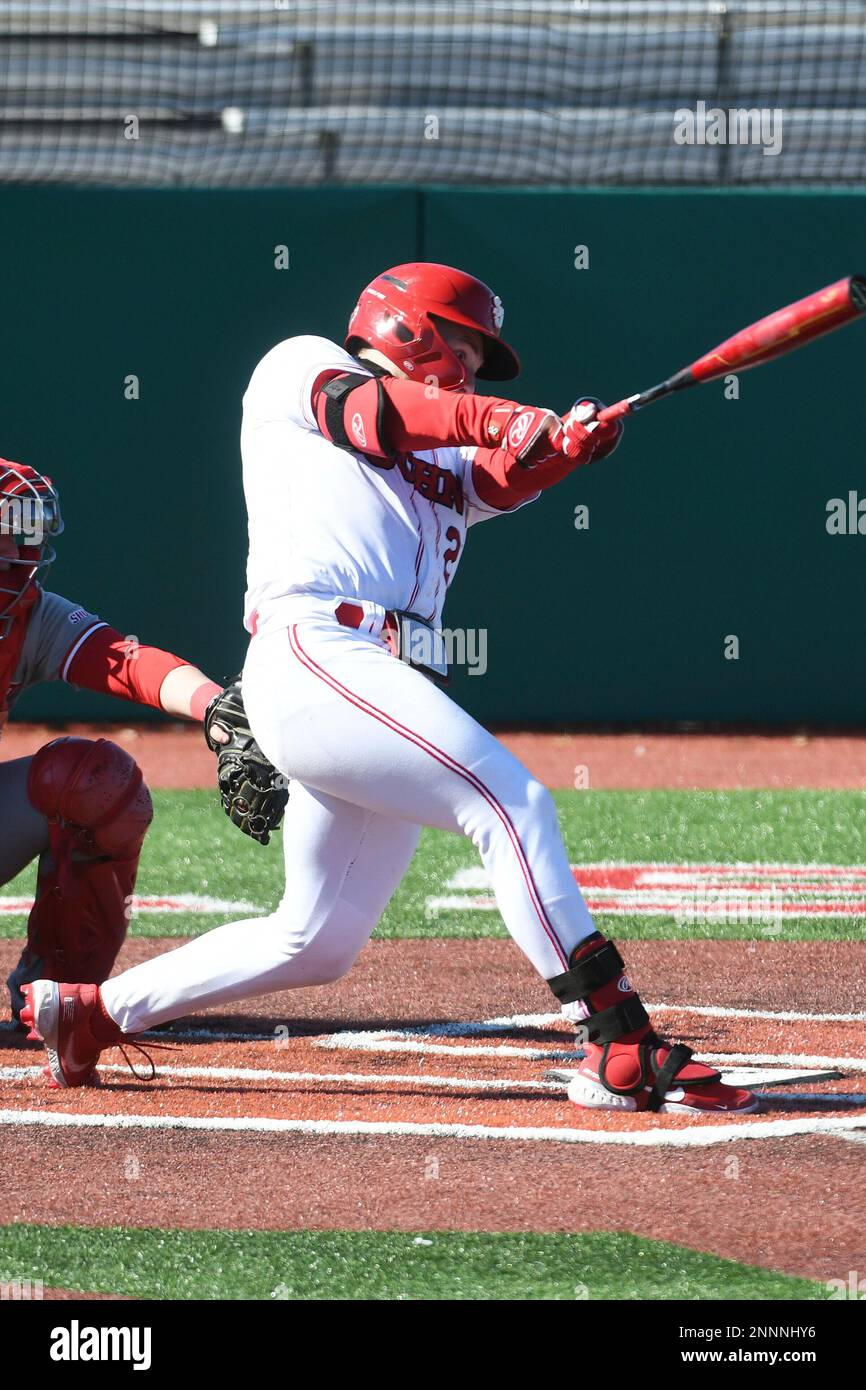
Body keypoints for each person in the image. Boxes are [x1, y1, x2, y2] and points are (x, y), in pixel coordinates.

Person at [23, 263, 756, 1115]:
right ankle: (616, 1037)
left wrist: (564, 450)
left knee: (317, 939)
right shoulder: (298, 367)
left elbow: (495, 477)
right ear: (412, 330)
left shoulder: (443, 439)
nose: (473, 374)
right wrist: (510, 419)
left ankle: (87, 1015)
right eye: (469, 352)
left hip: (378, 679)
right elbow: (376, 416)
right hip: (319, 650)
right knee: (511, 805)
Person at [0, 457, 223, 1021]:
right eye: (7, 538)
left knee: (98, 785)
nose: (19, 557)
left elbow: (127, 661)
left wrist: (218, 709)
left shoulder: (31, 616)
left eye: (24, 539)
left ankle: (54, 995)